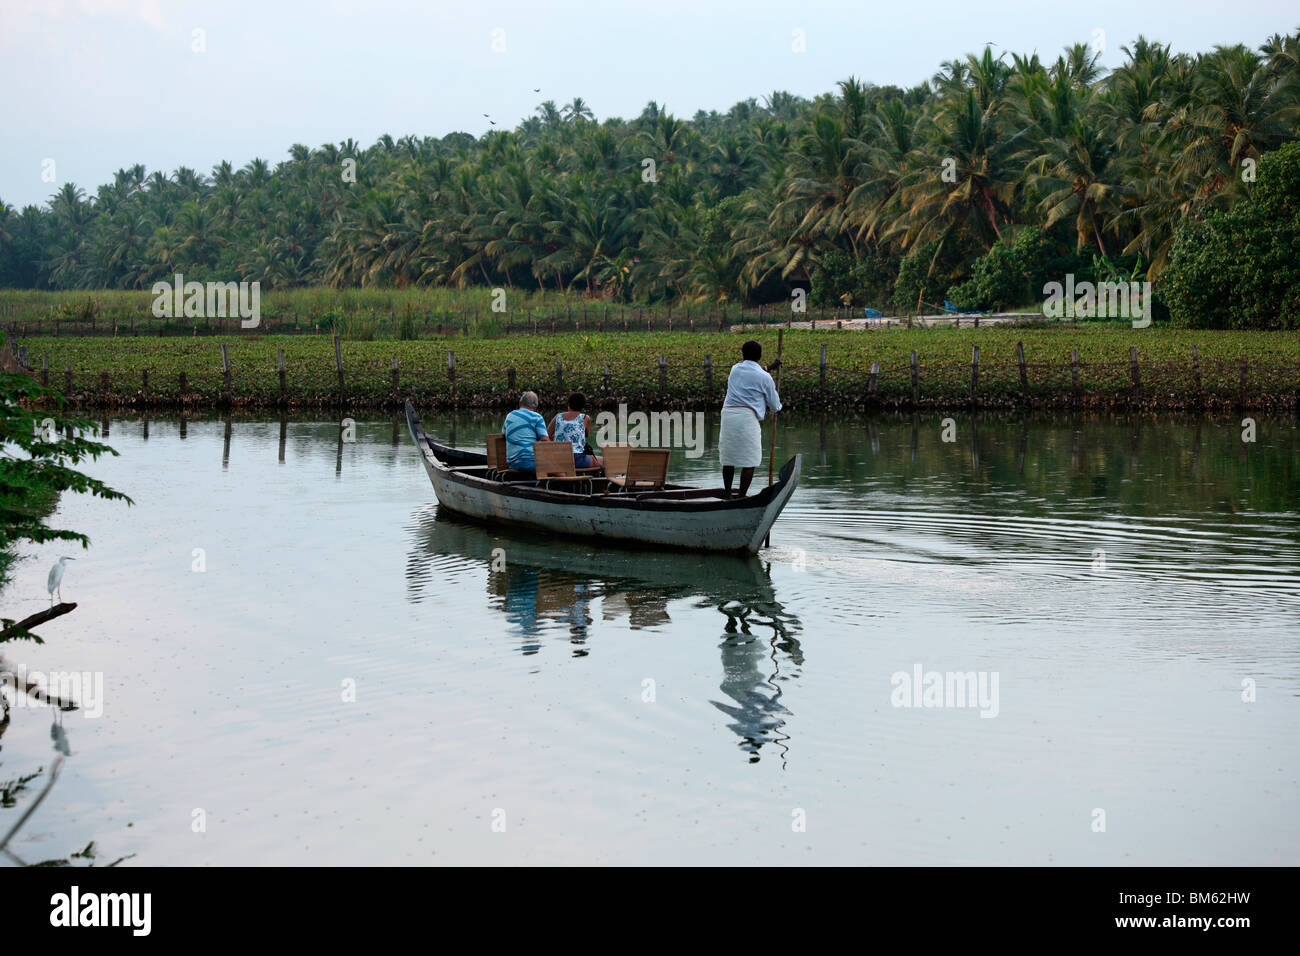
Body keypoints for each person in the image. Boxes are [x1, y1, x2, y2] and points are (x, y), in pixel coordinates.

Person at [719, 340, 781, 497]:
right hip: (747, 417)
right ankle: (741, 497)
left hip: (728, 415)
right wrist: (778, 408)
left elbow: (752, 372)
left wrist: (769, 368)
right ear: (760, 356)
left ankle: (727, 494)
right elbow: (774, 405)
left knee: (729, 458)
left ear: (743, 354)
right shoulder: (765, 377)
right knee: (750, 460)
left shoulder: (735, 369)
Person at [548, 393, 603, 470]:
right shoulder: (585, 418)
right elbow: (586, 435)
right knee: (604, 461)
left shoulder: (558, 416)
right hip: (576, 459)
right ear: (582, 406)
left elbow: (547, 435)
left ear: (569, 404)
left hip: (558, 459)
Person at [503, 391, 549, 475]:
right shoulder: (537, 417)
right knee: (560, 471)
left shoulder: (510, 415)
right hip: (530, 461)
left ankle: (540, 485)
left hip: (512, 462)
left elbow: (503, 434)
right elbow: (545, 440)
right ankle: (541, 487)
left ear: (520, 403)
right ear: (536, 406)